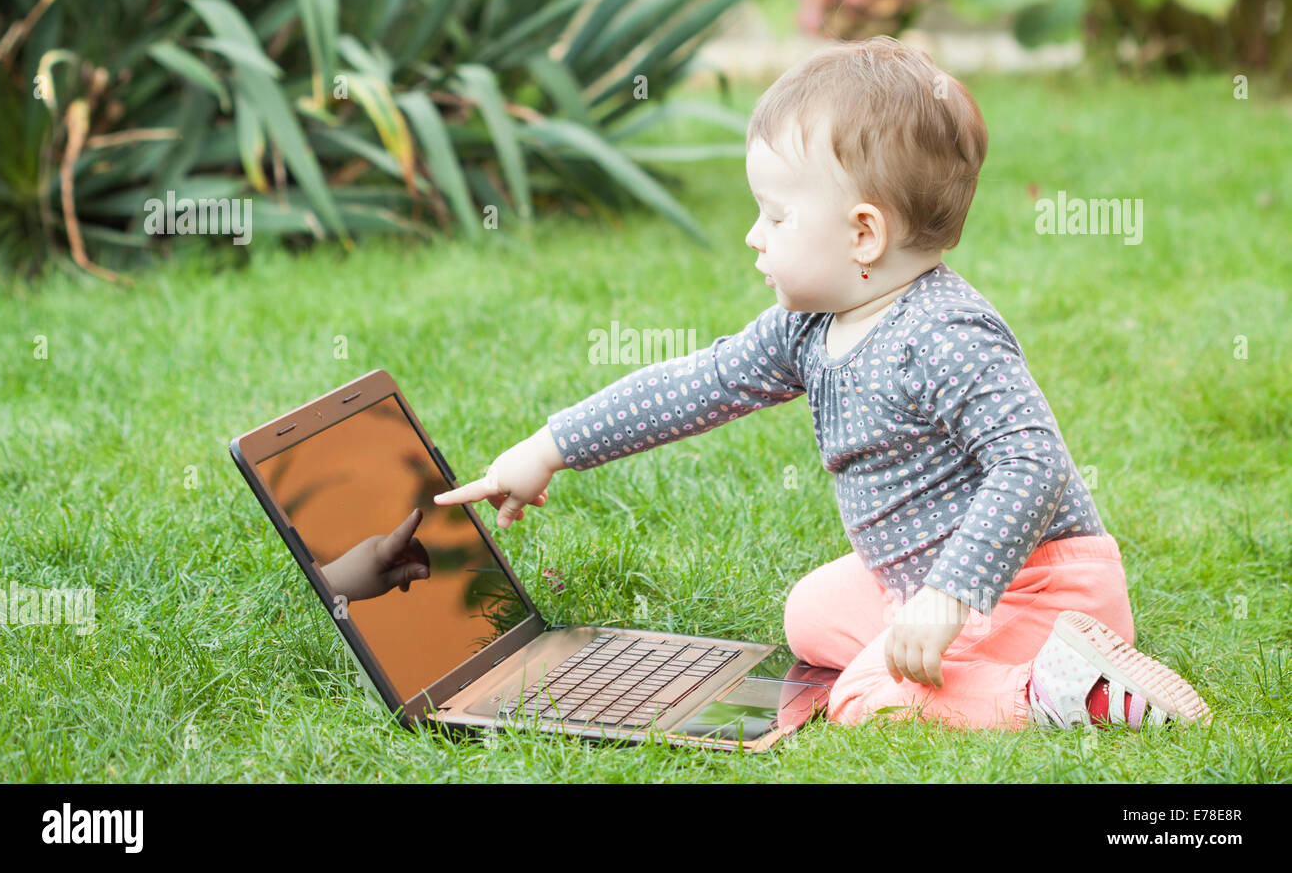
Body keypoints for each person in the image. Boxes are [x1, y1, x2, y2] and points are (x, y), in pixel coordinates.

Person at [433, 36, 1210, 732]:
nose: (752, 236)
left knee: (864, 699)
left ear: (863, 234)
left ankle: (1065, 694)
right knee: (810, 616)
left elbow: (1031, 464)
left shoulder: (943, 335)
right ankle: (972, 661)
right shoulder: (812, 325)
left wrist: (950, 595)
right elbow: (696, 384)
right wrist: (551, 446)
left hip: (1036, 587)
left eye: (774, 217)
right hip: (929, 581)